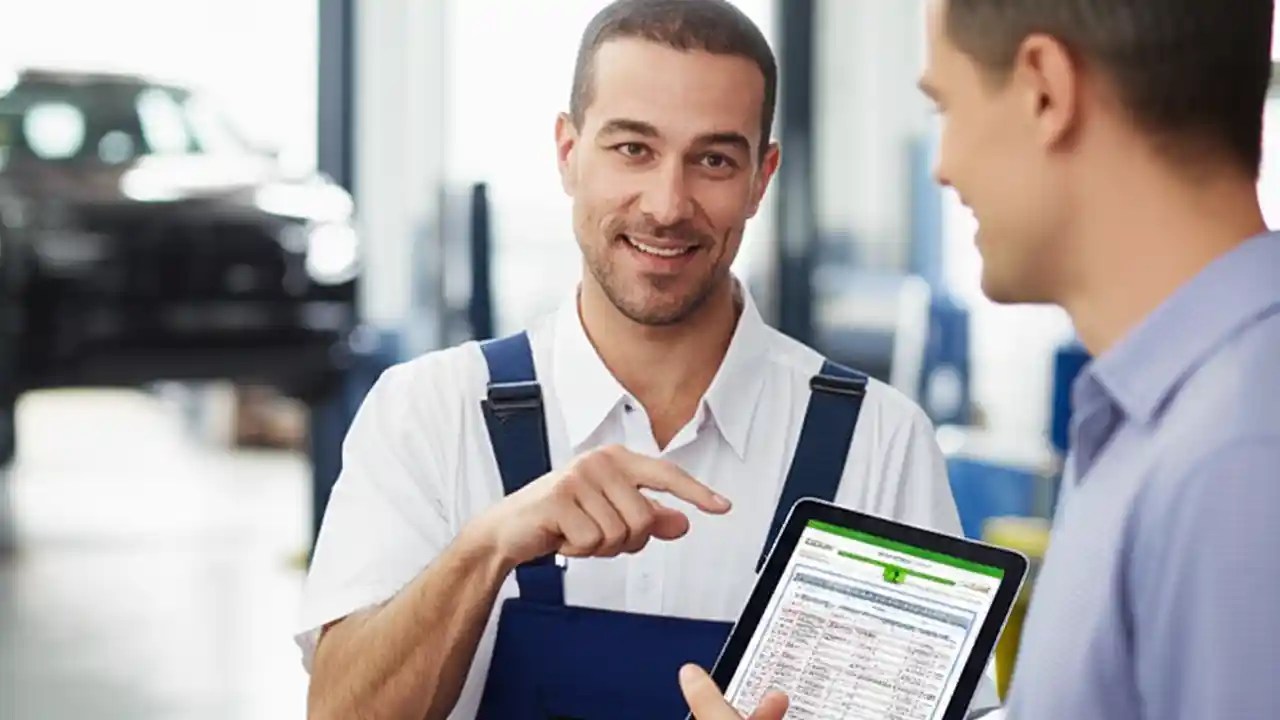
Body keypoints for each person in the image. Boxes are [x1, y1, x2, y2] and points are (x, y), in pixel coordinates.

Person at [296, 1, 997, 719]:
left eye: (714, 160)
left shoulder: (879, 444)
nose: (666, 205)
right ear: (568, 153)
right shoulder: (428, 413)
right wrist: (485, 549)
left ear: (762, 178)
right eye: (633, 148)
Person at [684, 0, 1280, 717]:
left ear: (1045, 90)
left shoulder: (1240, 456)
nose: (944, 168)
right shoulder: (1150, 422)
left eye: (946, 107)